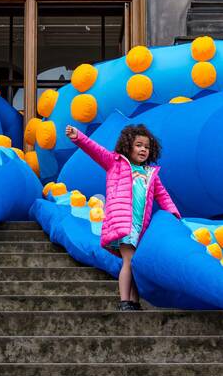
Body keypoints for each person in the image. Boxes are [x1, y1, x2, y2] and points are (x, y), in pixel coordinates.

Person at [64, 122, 181, 312]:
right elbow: (95, 150)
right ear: (128, 146)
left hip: (140, 227)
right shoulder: (115, 164)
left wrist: (174, 214)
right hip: (122, 223)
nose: (143, 149)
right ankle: (125, 301)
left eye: (147, 147)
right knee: (130, 260)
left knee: (133, 262)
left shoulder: (150, 174)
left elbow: (163, 196)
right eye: (138, 145)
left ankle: (134, 301)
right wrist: (78, 137)